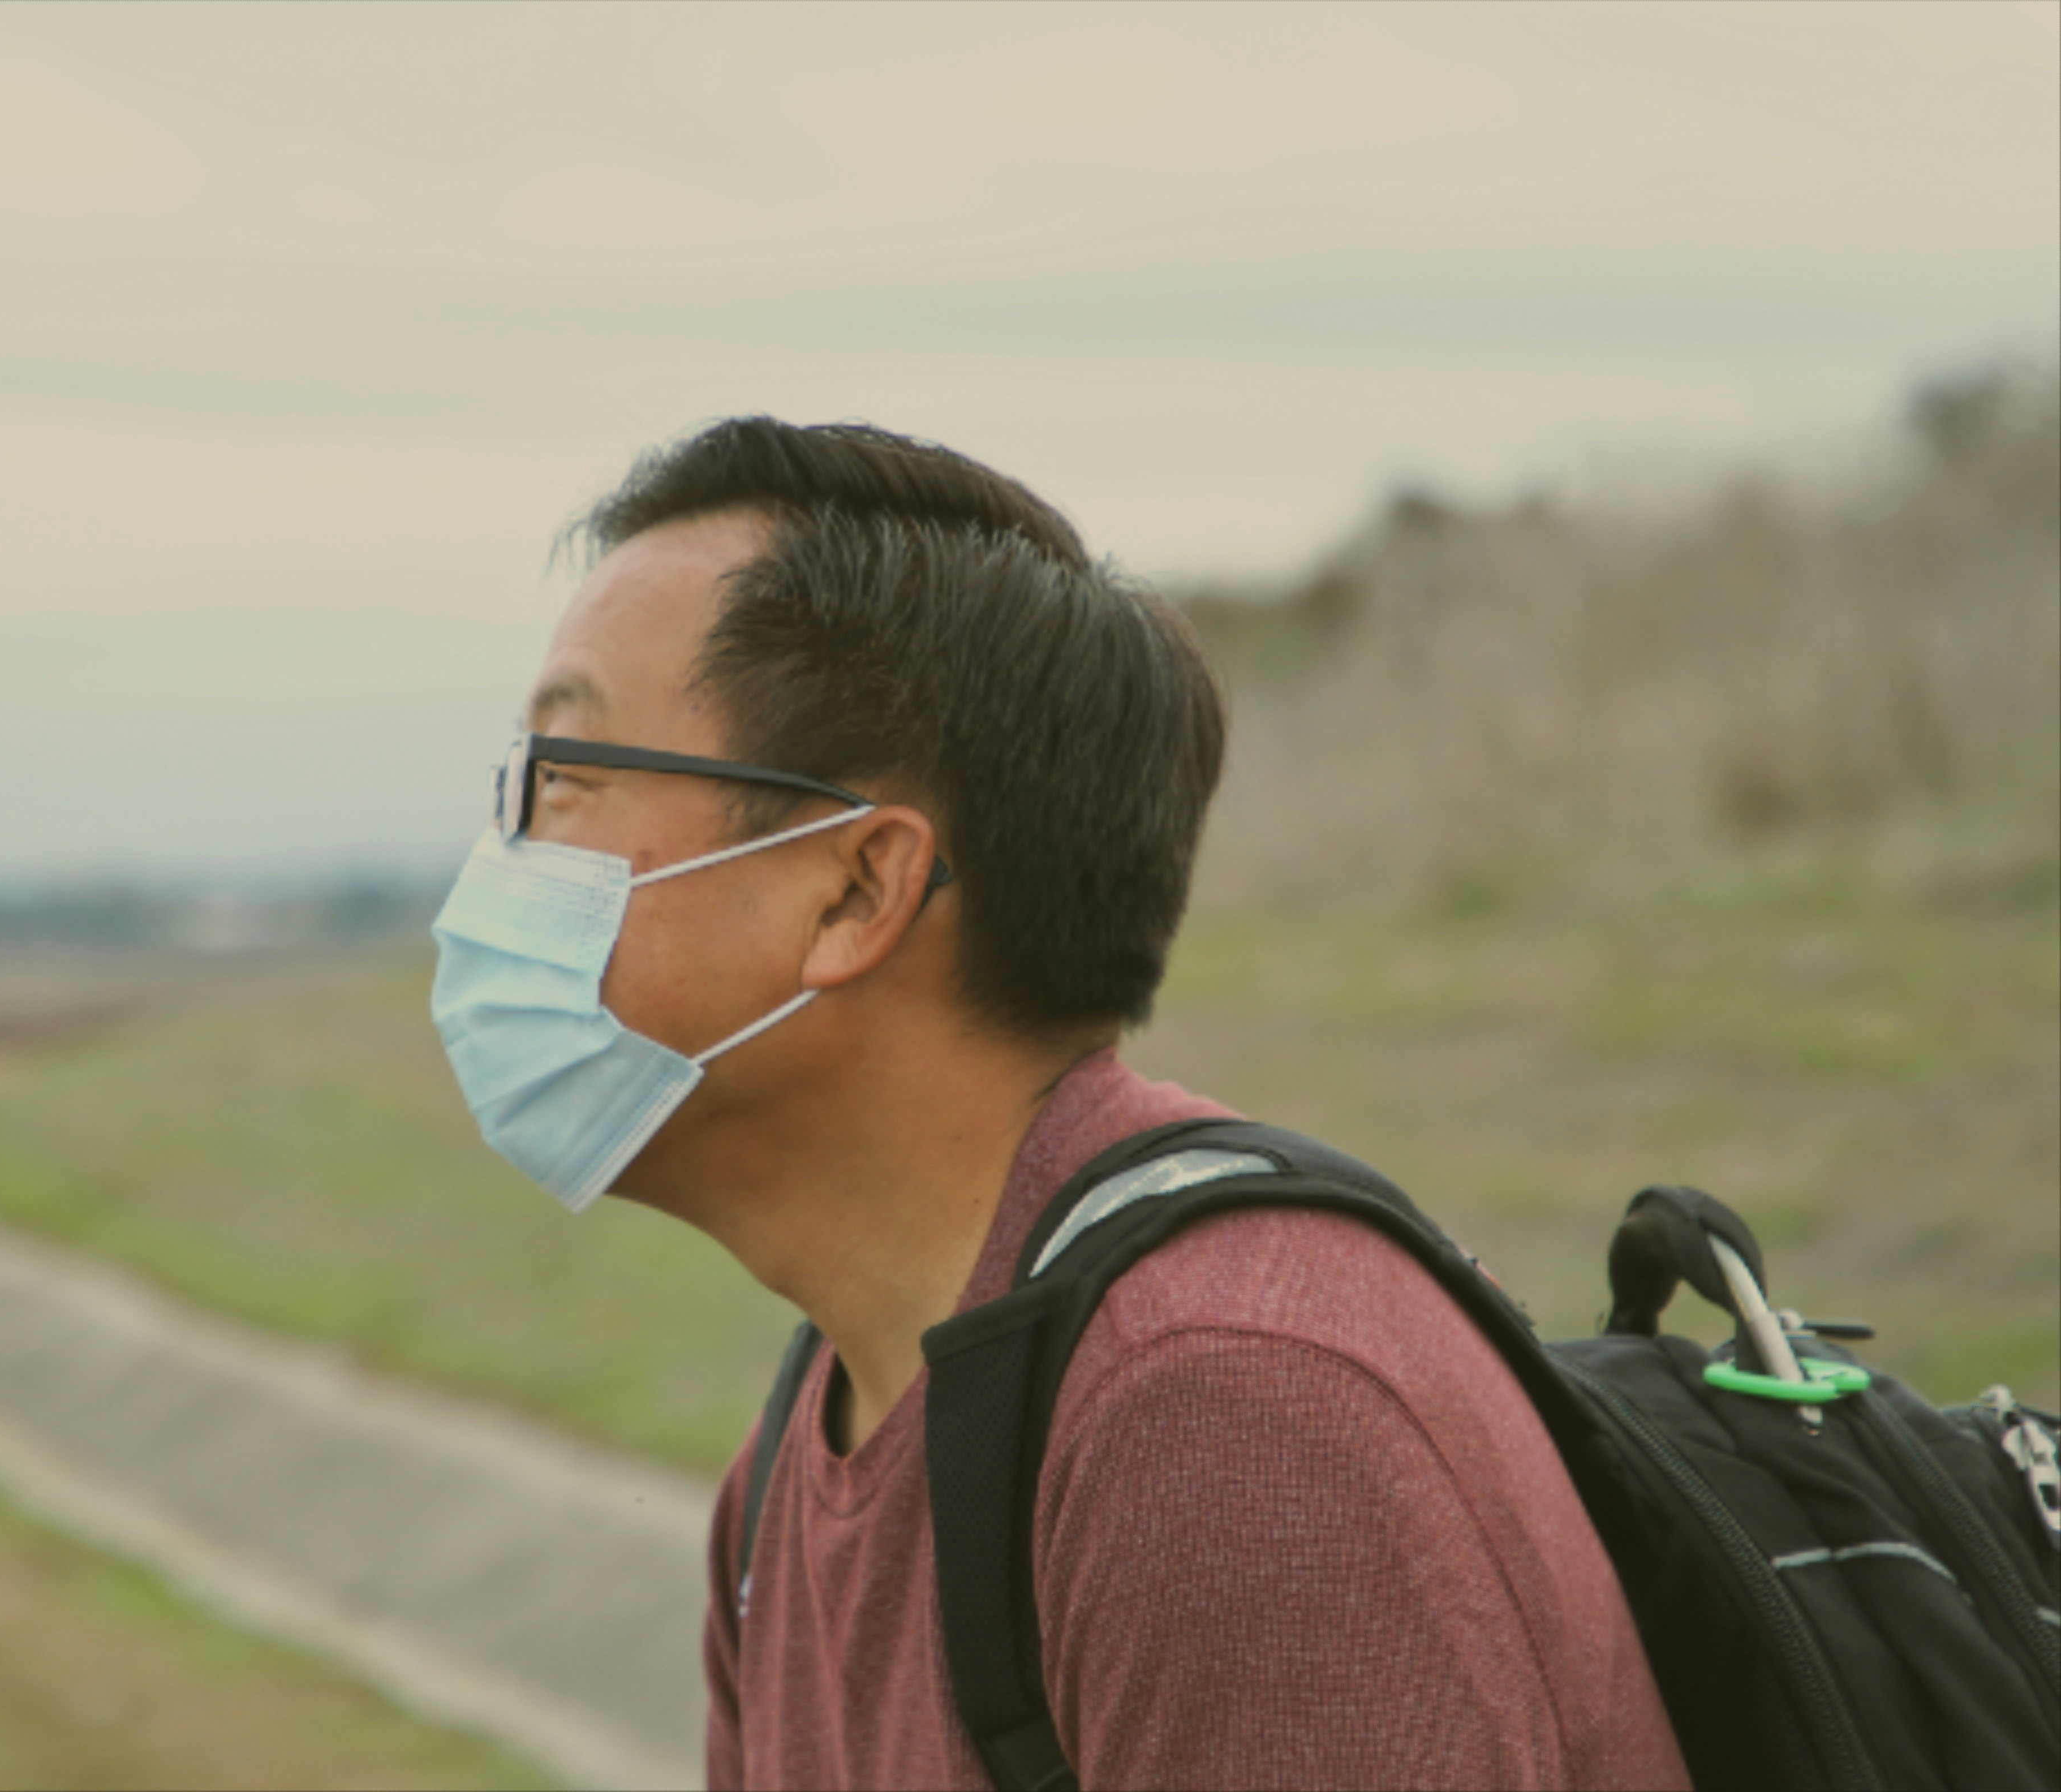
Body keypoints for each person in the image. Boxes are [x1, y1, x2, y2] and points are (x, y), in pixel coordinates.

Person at [428, 418, 1690, 1791]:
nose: (507, 855)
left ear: (855, 889)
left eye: (564, 778)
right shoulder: (818, 1432)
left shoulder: (1232, 1422)